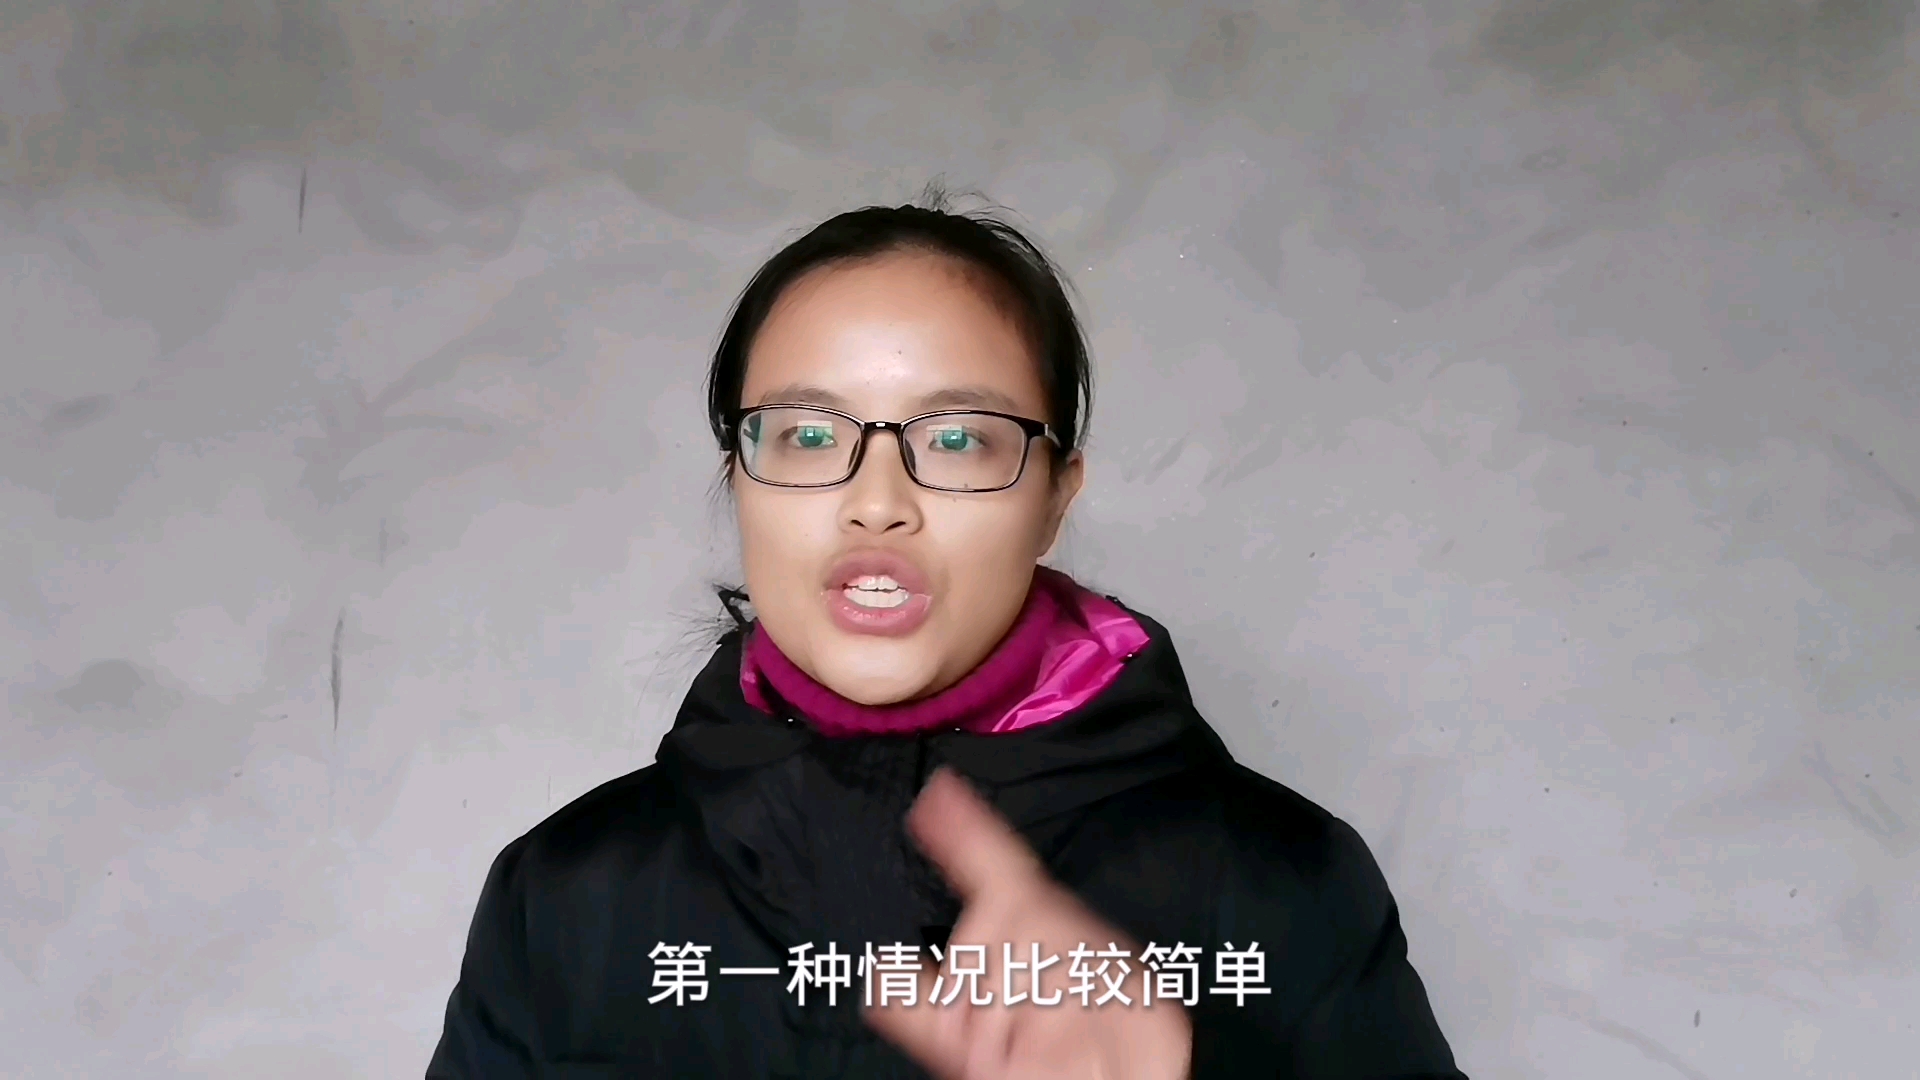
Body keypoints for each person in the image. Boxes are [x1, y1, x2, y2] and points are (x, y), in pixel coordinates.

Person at [427, 187, 1468, 1079]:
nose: (878, 503)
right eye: (807, 434)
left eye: (961, 438)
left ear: (1056, 496)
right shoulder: (564, 894)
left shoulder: (1280, 882)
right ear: (737, 476)